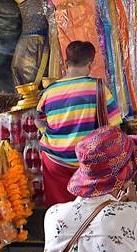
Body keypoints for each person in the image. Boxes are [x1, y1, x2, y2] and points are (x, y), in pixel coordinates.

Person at [37, 40, 122, 207]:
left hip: (55, 162)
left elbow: (39, 121)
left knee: (60, 214)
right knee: (94, 211)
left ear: (66, 63)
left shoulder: (49, 91)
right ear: (90, 64)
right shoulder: (98, 88)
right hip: (90, 163)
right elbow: (114, 128)